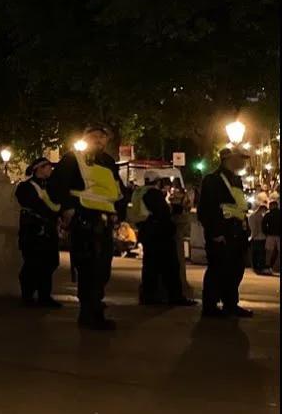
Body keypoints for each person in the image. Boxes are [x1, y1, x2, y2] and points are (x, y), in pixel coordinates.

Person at [48, 125, 126, 330]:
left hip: (105, 221)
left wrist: (118, 214)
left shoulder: (108, 162)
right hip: (84, 219)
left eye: (103, 138)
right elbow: (57, 185)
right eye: (94, 137)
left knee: (103, 269)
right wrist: (67, 208)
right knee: (88, 268)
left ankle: (96, 309)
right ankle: (88, 313)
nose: (99, 141)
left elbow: (118, 191)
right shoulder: (73, 159)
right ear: (85, 138)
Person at [197, 148, 253, 318]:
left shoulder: (236, 180)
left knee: (235, 270)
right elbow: (207, 209)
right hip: (221, 234)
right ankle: (210, 306)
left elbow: (239, 207)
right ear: (228, 159)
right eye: (240, 158)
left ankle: (231, 304)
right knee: (217, 270)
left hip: (237, 233)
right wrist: (215, 232)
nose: (243, 162)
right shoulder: (212, 180)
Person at [137, 176, 197, 306]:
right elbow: (162, 211)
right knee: (170, 267)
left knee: (150, 267)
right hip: (159, 233)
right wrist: (175, 209)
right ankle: (173, 296)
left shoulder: (139, 192)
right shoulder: (153, 194)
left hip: (148, 231)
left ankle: (150, 295)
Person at [14, 157, 61, 307]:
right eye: (48, 167)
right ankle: (27, 296)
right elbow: (30, 204)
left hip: (48, 231)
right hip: (33, 231)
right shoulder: (26, 187)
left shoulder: (52, 186)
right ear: (39, 169)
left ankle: (44, 296)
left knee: (50, 263)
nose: (51, 170)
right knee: (32, 264)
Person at [248, 198, 268, 274]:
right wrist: (253, 236)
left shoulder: (252, 216)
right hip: (259, 237)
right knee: (260, 254)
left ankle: (256, 268)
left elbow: (253, 228)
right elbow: (255, 228)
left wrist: (252, 237)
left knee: (256, 254)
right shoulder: (259, 216)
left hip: (256, 237)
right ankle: (258, 268)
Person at [263, 197, 280, 275]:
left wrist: (266, 233)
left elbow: (263, 224)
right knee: (278, 251)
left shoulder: (268, 214)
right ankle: (276, 267)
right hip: (279, 235)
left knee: (269, 251)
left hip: (270, 235)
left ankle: (267, 267)